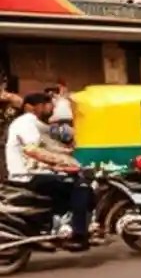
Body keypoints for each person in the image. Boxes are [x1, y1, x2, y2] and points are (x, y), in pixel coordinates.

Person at [4, 93, 92, 249]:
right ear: (32, 107)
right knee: (81, 186)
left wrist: (66, 154)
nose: (50, 108)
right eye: (46, 105)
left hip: (32, 174)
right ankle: (79, 234)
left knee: (65, 186)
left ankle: (61, 224)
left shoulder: (34, 124)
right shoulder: (26, 122)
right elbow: (33, 150)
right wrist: (60, 162)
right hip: (27, 177)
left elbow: (47, 146)